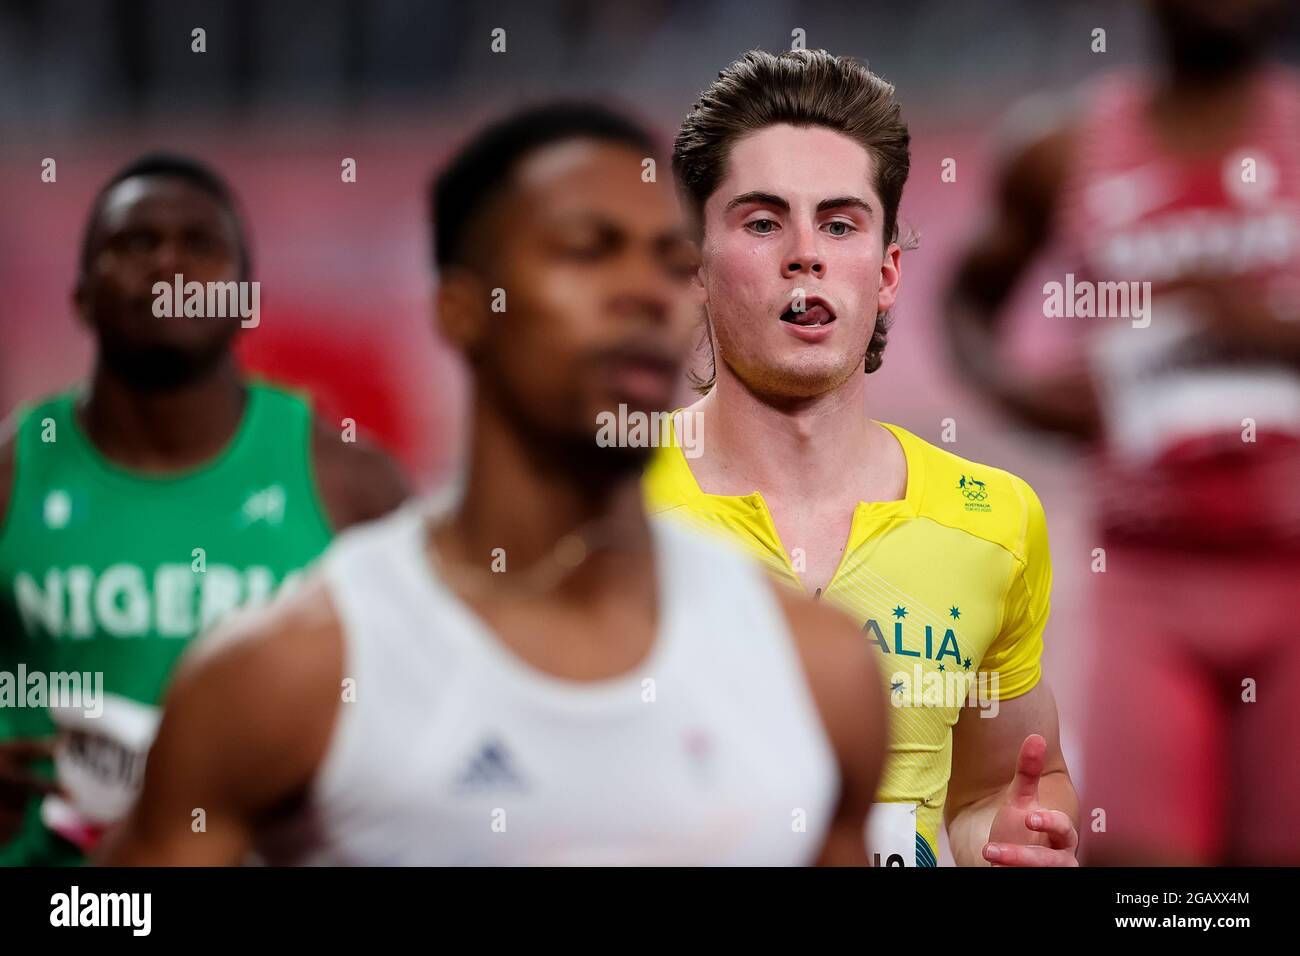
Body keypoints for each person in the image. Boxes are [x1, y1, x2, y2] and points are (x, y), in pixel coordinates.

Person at [100, 104, 888, 866]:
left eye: (672, 262)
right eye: (588, 249)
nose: (646, 292)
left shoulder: (816, 667)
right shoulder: (294, 670)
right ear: (463, 309)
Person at [646, 48, 1079, 866]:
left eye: (839, 223)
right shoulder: (605, 506)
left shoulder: (992, 519)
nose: (805, 254)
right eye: (763, 221)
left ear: (884, 274)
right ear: (695, 268)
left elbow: (997, 788)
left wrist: (1015, 834)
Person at [943, 0, 1300, 865]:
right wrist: (1028, 398)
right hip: (1146, 578)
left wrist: (1270, 337)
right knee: (1148, 883)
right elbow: (968, 302)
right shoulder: (1064, 148)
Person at [0, 153, 408, 865]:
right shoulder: (11, 472)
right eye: (134, 244)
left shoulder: (351, 481)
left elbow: (435, 705)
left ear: (246, 300)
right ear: (82, 297)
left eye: (200, 245)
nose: (168, 265)